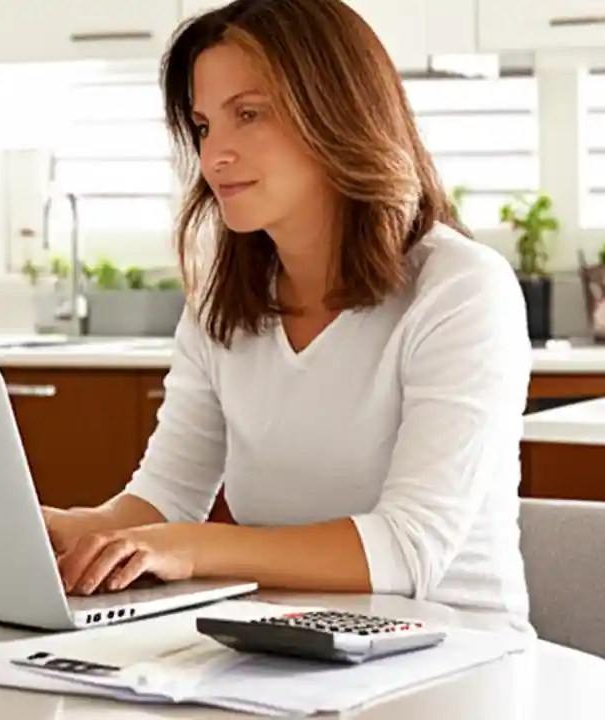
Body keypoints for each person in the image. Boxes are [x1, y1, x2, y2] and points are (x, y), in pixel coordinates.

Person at [42, 0, 534, 632]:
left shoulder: (461, 289)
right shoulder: (221, 305)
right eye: (203, 126)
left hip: (454, 660)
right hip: (281, 653)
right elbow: (162, 501)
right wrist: (51, 528)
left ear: (336, 112)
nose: (215, 155)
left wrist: (190, 547)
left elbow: (408, 549)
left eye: (248, 115)